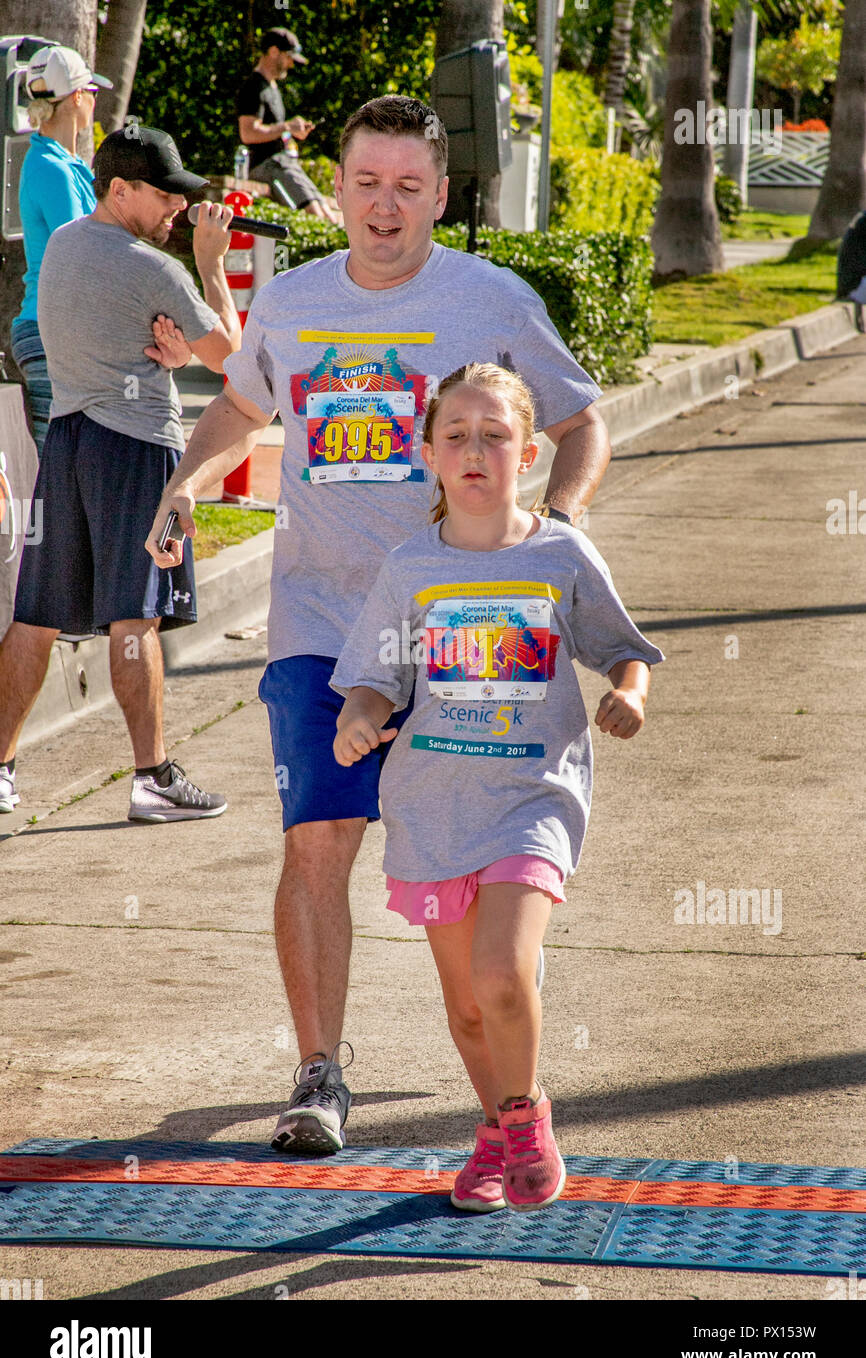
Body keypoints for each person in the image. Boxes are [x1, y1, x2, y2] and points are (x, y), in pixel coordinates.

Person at [145, 94, 612, 1155]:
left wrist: (559, 530)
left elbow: (582, 425)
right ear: (340, 189)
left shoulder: (490, 300)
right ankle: (318, 1073)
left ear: (439, 195)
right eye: (365, 183)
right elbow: (241, 406)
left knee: (475, 869)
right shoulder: (296, 302)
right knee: (317, 837)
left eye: (408, 186)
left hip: (462, 630)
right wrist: (184, 482)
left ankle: (508, 1073)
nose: (385, 206)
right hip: (319, 621)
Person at [331, 362, 663, 1210]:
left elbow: (622, 646)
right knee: (470, 1007)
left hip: (531, 800)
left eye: (496, 435)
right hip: (431, 806)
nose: (475, 450)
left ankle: (525, 1120)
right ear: (428, 453)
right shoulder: (410, 567)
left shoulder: (560, 552)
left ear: (527, 453)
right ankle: (493, 1129)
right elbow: (376, 679)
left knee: (505, 977)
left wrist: (627, 692)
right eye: (457, 436)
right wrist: (356, 719)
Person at [0, 127, 242, 823]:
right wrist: (211, 264)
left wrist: (158, 356)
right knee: (134, 617)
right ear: (120, 189)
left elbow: (97, 334)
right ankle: (153, 779)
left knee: (35, 618)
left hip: (71, 440)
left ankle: (1, 772)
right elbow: (232, 359)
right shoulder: (154, 269)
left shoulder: (66, 245)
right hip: (136, 449)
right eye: (164, 195)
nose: (175, 207)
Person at [11, 44, 113, 457]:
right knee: (54, 464)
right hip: (48, 329)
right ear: (76, 98)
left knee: (64, 460)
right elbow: (84, 247)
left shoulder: (62, 163)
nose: (93, 100)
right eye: (91, 90)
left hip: (54, 327)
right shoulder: (52, 169)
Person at [235, 26, 341, 225]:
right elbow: (248, 133)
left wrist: (291, 135)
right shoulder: (254, 87)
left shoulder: (272, 87)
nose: (291, 64)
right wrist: (287, 127)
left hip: (285, 164)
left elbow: (272, 130)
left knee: (328, 213)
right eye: (289, 57)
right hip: (268, 166)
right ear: (274, 51)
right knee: (314, 215)